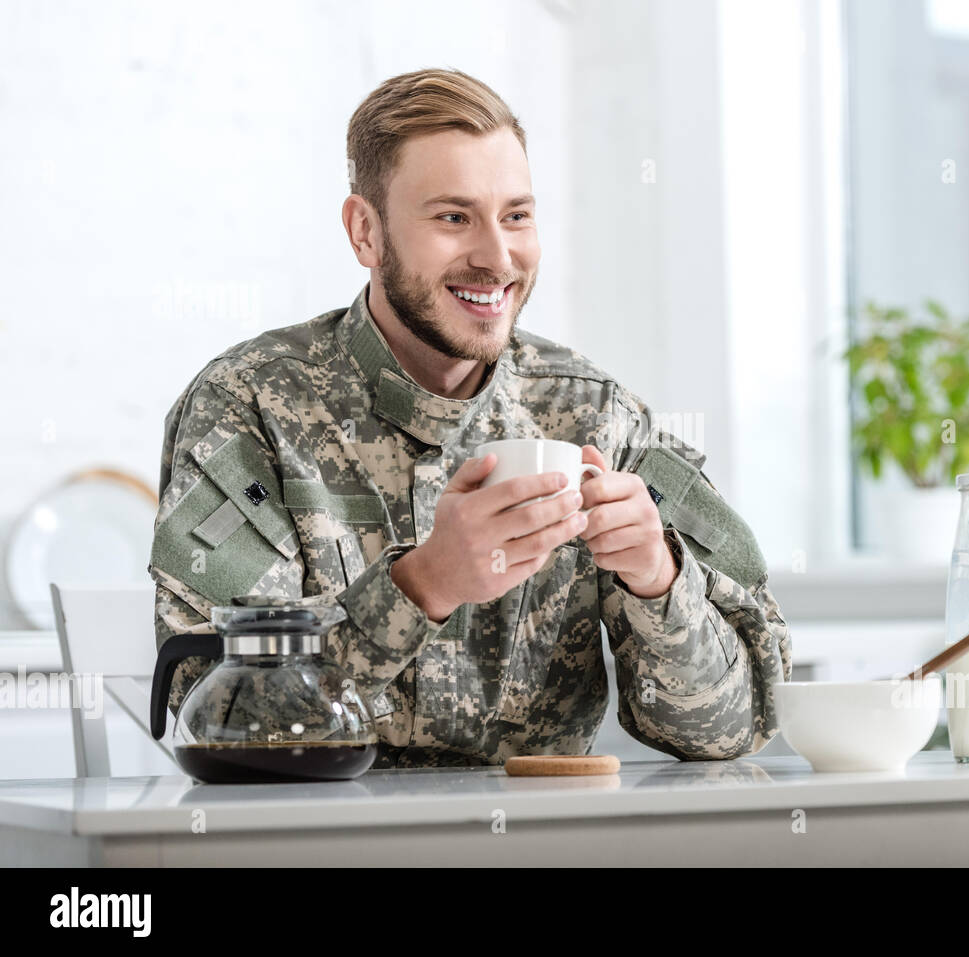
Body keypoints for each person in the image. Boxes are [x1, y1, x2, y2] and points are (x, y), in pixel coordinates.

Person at [150, 68, 792, 767]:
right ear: (365, 232)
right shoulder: (251, 406)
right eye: (453, 218)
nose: (496, 257)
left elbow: (741, 723)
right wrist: (426, 585)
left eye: (516, 216)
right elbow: (216, 719)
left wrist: (657, 577)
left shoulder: (596, 416)